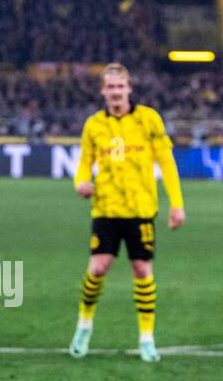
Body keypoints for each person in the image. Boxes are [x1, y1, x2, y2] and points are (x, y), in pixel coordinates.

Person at [69, 62, 185, 363]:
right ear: (103, 91)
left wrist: (177, 203)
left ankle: (147, 337)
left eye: (121, 86)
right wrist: (80, 181)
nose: (116, 92)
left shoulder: (149, 120)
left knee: (142, 270)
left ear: (129, 89)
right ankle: (84, 324)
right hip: (106, 207)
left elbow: (167, 163)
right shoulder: (94, 124)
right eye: (111, 87)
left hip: (141, 209)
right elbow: (84, 161)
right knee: (97, 268)